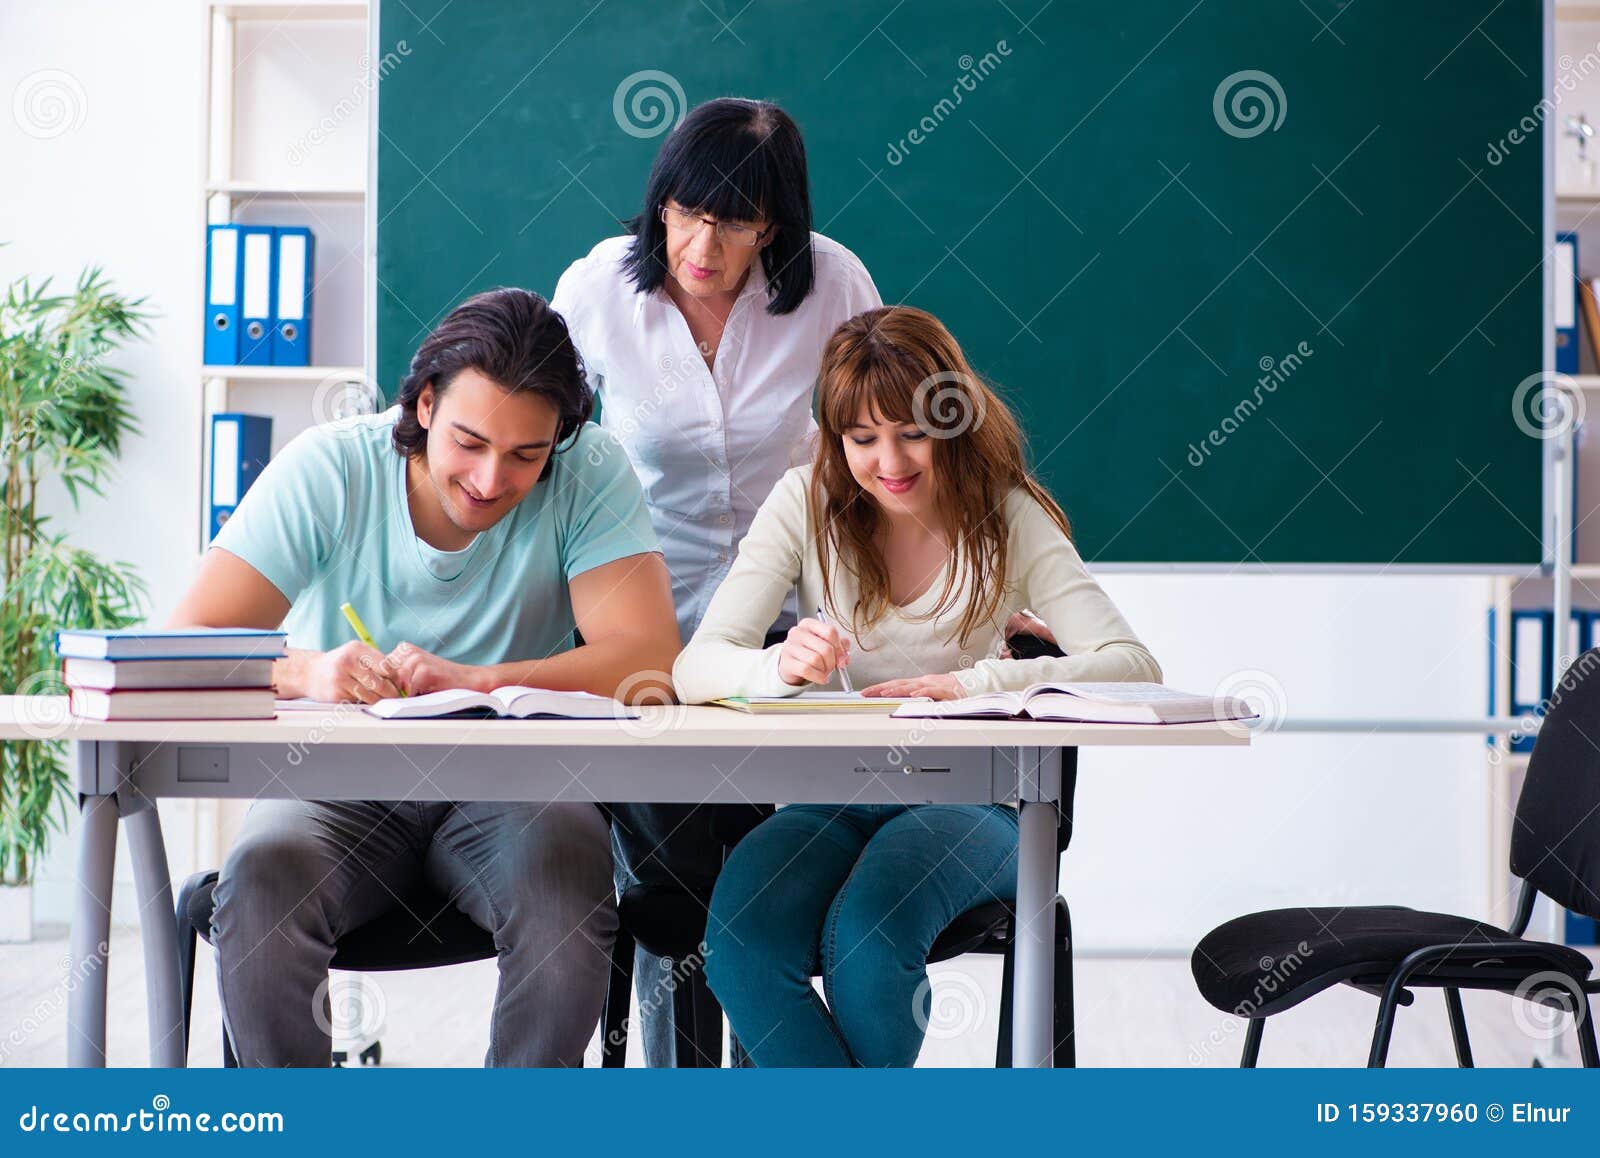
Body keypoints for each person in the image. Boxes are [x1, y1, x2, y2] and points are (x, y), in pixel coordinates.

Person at [167, 288, 680, 1067]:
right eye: (469, 442)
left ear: (561, 441)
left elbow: (648, 657)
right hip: (332, 783)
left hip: (513, 784)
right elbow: (185, 646)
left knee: (567, 891)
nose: (488, 479)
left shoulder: (590, 471)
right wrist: (309, 671)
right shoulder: (332, 468)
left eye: (526, 456)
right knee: (262, 884)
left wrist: (480, 681)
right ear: (426, 403)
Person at [675, 305, 1162, 1066]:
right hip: (828, 797)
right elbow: (694, 669)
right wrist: (777, 667)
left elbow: (1131, 664)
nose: (889, 461)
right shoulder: (804, 503)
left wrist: (973, 682)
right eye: (862, 439)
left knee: (869, 936)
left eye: (912, 432)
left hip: (980, 805)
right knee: (740, 944)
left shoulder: (1008, 513)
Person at [550, 96, 881, 1063]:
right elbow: (545, 447)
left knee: (767, 887)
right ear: (660, 205)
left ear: (774, 223)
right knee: (673, 889)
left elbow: (871, 449)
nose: (703, 240)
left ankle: (764, 1089)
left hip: (790, 628)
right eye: (686, 211)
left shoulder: (833, 285)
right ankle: (680, 1094)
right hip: (642, 629)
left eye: (734, 221)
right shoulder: (602, 289)